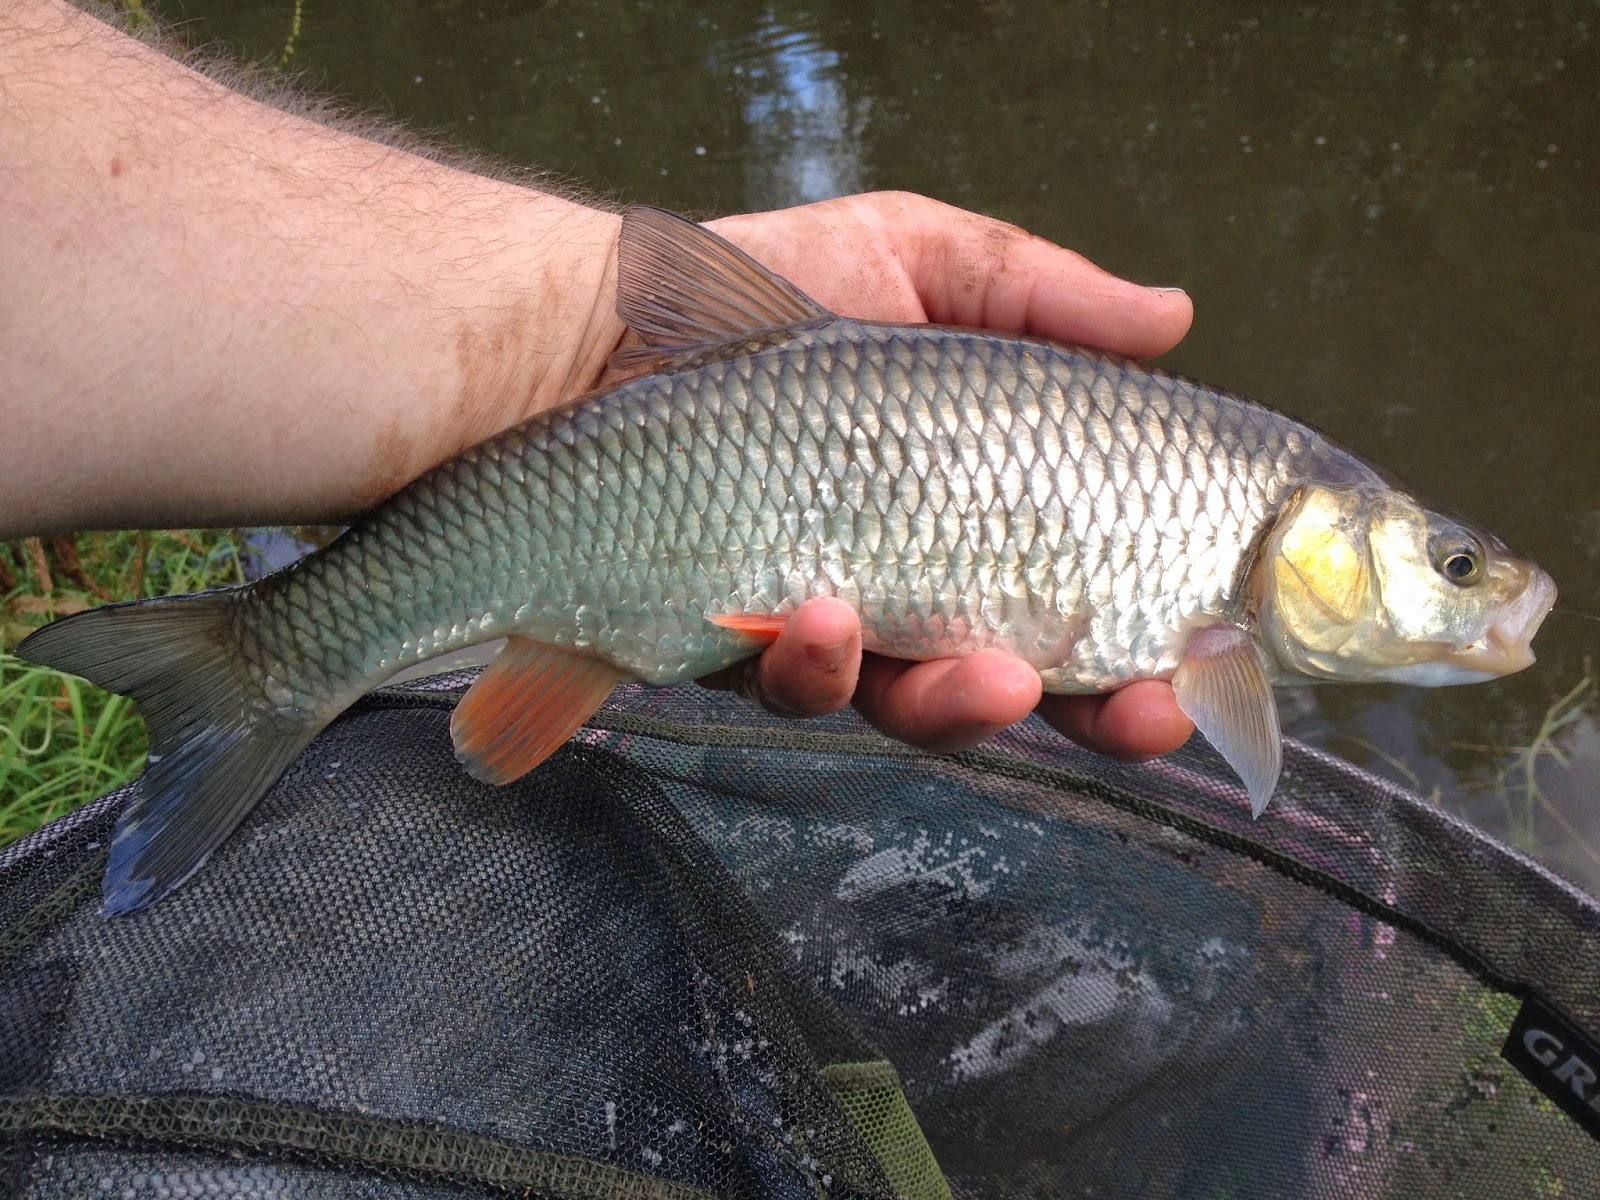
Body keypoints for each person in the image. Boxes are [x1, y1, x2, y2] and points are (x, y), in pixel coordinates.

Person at [1, 0, 1194, 763]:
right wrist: (569, 329)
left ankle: (278, 657)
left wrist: (567, 330)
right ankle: (257, 661)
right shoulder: (1222, 587)